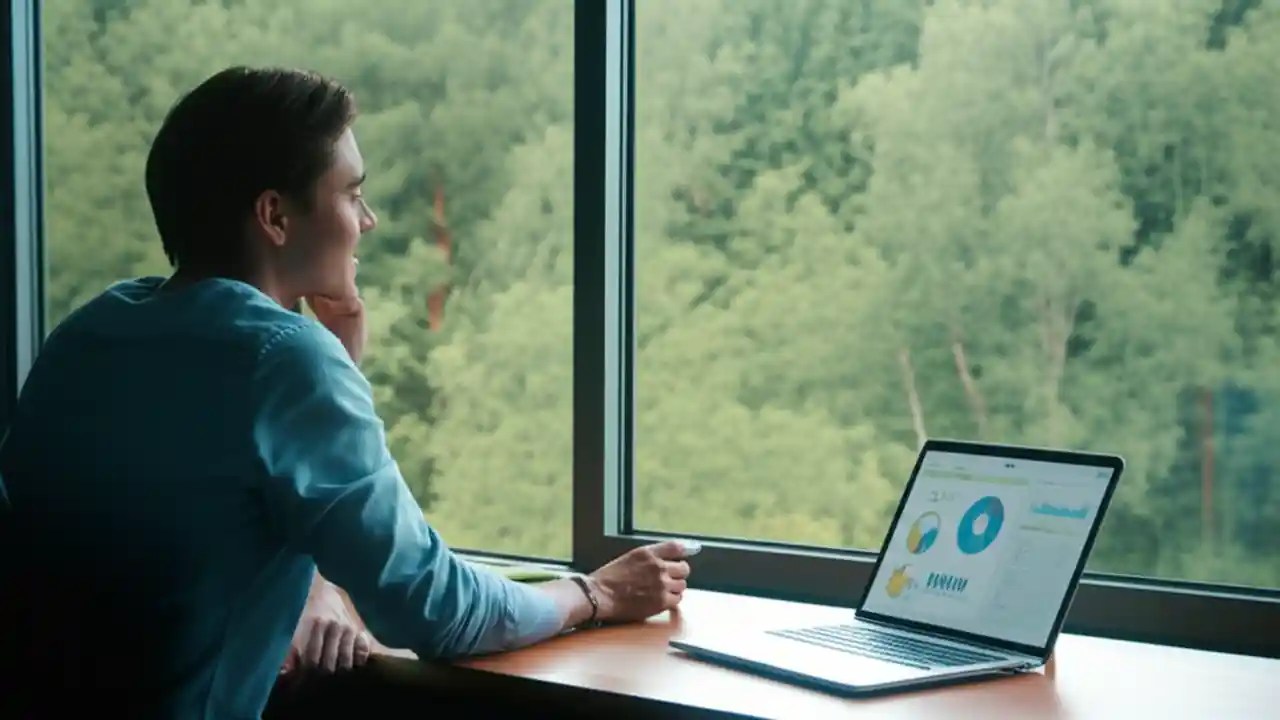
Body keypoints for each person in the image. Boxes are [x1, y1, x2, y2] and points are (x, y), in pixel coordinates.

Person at [0, 66, 692, 718]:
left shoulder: (90, 332)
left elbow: (196, 522)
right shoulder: (280, 361)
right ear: (275, 216)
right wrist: (593, 594)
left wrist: (339, 371)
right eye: (353, 193)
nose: (369, 221)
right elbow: (434, 610)